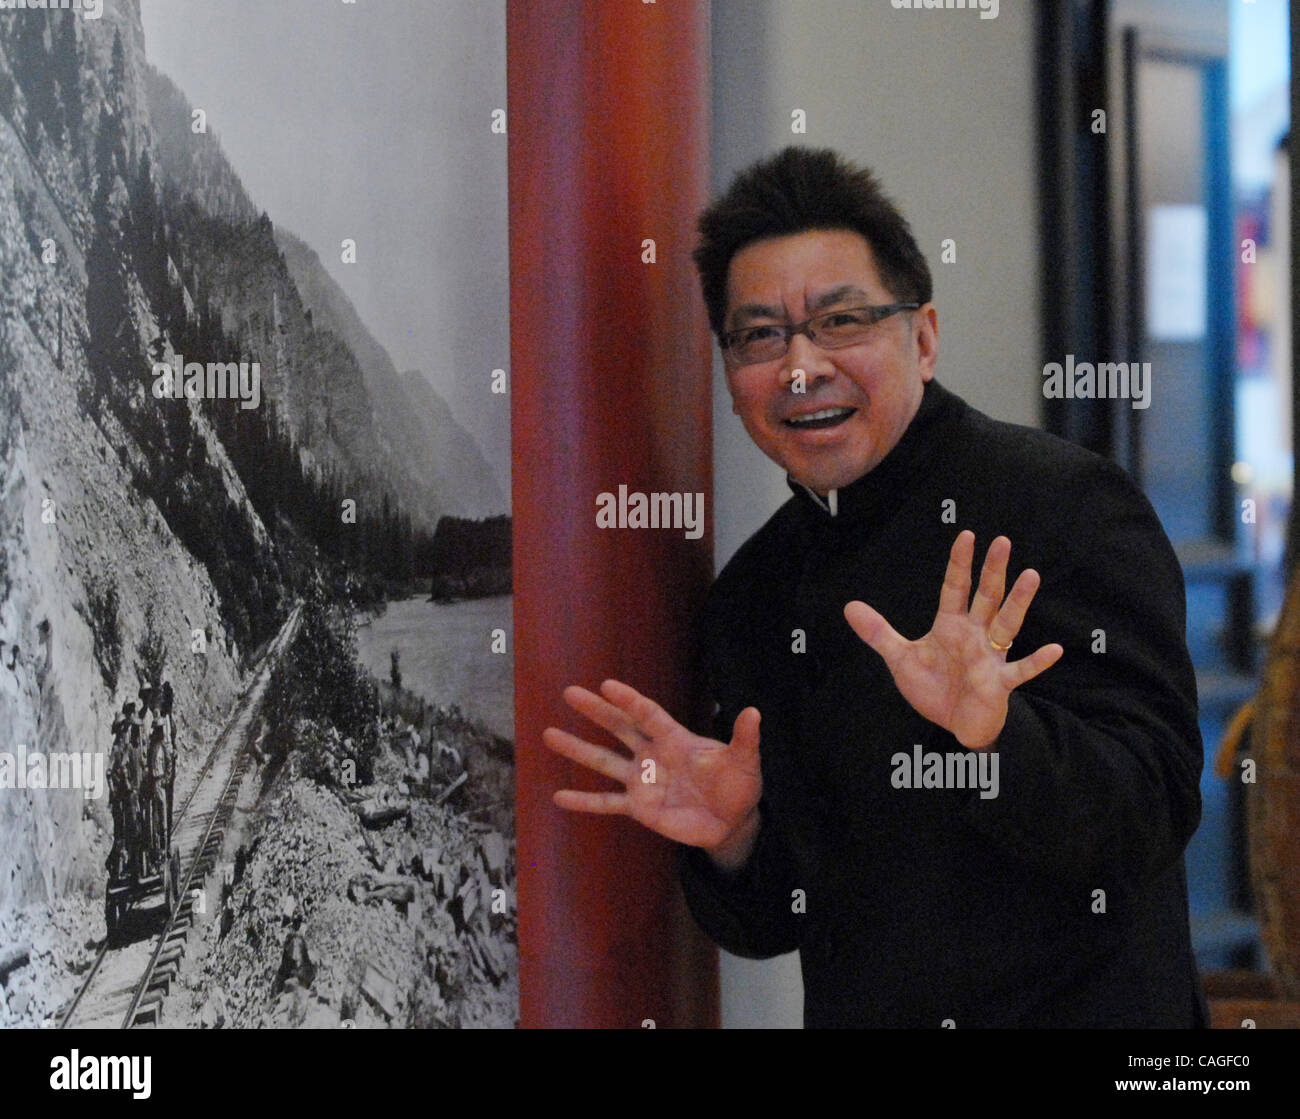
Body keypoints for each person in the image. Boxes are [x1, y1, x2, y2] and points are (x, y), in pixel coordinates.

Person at [541, 147, 1206, 1028]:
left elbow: (1156, 808)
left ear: (922, 338)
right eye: (759, 335)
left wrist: (996, 735)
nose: (800, 367)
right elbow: (777, 917)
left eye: (840, 321)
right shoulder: (753, 594)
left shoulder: (1065, 504)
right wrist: (737, 839)